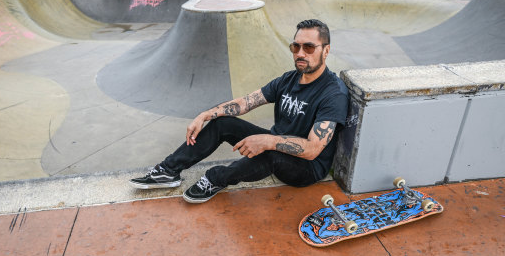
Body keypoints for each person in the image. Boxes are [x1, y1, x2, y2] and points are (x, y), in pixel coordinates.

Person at [129, 19, 349, 203]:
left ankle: (216, 178)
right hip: (276, 144)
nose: (300, 53)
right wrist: (204, 115)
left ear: (326, 50)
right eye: (295, 47)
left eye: (309, 47)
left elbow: (312, 149)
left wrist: (267, 141)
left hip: (306, 168)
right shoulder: (289, 79)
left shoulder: (333, 94)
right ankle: (168, 171)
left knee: (271, 153)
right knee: (223, 122)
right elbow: (246, 102)